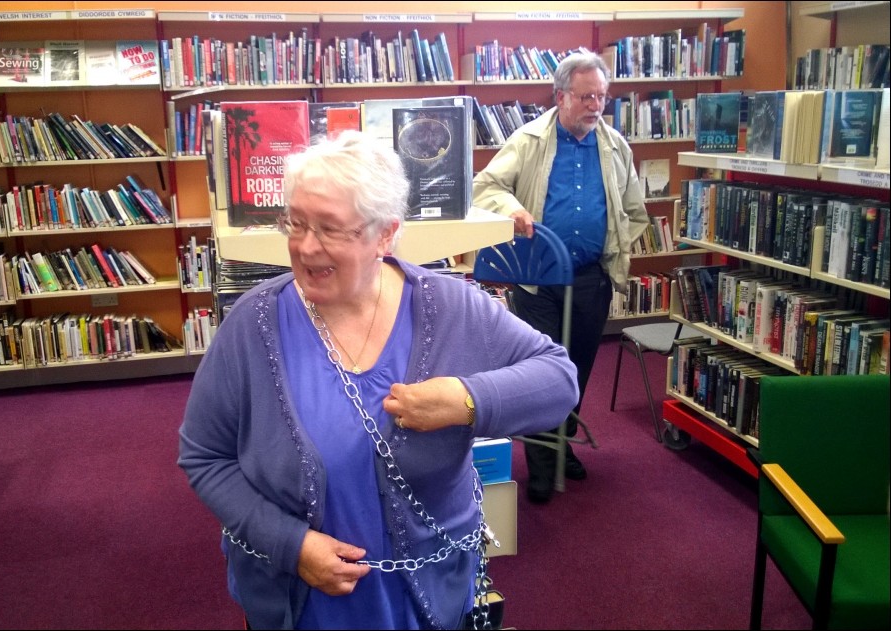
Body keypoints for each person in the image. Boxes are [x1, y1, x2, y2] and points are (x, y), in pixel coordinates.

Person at [179, 131, 579, 630]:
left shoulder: (446, 306)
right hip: (300, 601)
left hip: (431, 594)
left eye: (329, 228)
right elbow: (204, 455)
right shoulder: (253, 323)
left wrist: (466, 400)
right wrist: (290, 544)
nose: (304, 246)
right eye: (295, 223)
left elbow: (559, 380)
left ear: (385, 235)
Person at [472, 50, 650, 503]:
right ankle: (542, 464)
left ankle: (562, 442)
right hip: (537, 279)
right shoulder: (529, 139)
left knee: (577, 368)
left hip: (592, 277)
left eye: (602, 97)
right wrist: (512, 210)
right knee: (539, 373)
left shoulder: (614, 145)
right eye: (587, 96)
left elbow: (634, 209)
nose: (595, 106)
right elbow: (486, 185)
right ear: (561, 96)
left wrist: (614, 241)